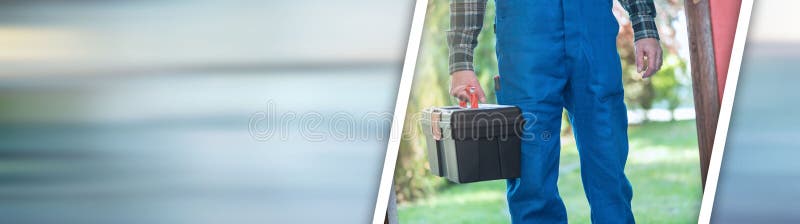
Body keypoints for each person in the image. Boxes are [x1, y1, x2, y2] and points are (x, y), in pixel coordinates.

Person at [447, 0, 663, 223]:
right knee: (531, 180)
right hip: (526, 41)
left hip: (593, 34)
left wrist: (644, 24)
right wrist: (461, 61)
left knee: (610, 175)